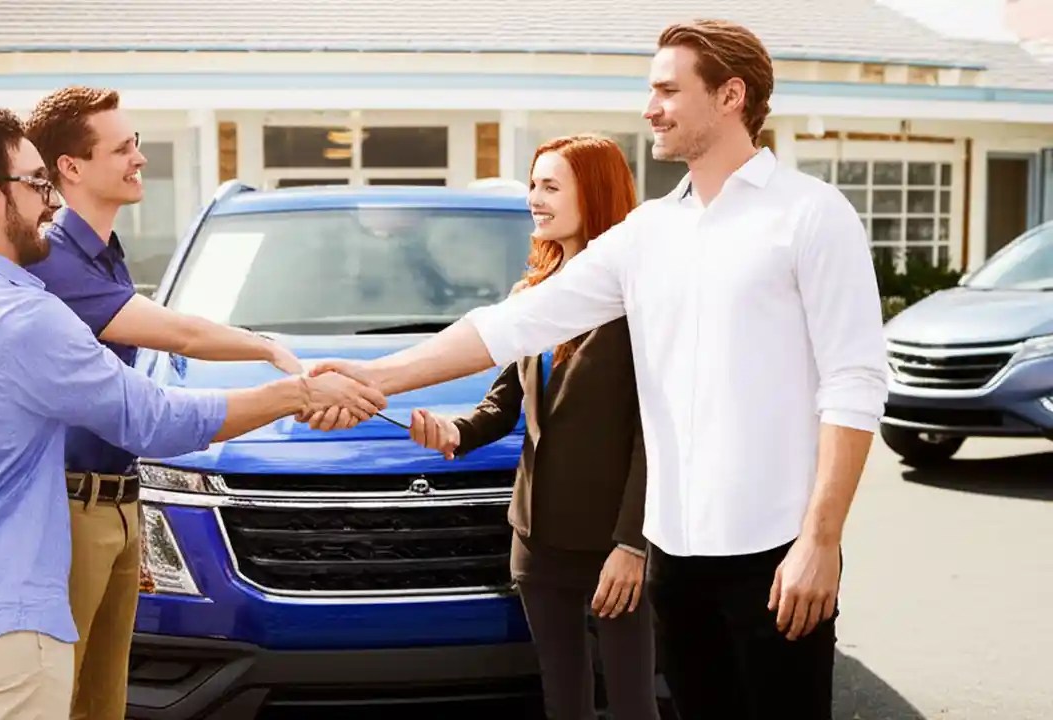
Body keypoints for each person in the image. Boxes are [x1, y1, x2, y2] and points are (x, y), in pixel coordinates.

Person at [306, 19, 888, 720]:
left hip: (776, 553)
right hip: (675, 557)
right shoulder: (648, 234)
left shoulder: (812, 215)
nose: (650, 109)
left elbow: (853, 385)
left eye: (668, 91)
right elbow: (513, 323)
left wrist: (820, 541)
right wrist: (375, 377)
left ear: (731, 95)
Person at [0, 107, 385, 720]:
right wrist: (297, 394)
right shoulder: (21, 316)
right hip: (12, 614)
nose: (50, 202)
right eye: (38, 184)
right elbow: (153, 418)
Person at [21, 86, 313, 720]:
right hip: (71, 511)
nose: (138, 158)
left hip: (120, 499)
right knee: (59, 699)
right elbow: (177, 333)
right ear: (70, 168)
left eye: (138, 144)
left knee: (104, 701)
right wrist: (268, 351)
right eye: (122, 147)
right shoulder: (55, 258)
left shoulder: (104, 256)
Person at [410, 134, 658, 720]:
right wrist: (454, 432)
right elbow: (503, 404)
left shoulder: (639, 301)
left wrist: (633, 544)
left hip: (612, 545)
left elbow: (656, 436)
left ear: (594, 194)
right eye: (533, 185)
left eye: (551, 186)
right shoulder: (533, 296)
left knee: (631, 701)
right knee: (562, 696)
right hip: (535, 538)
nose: (535, 199)